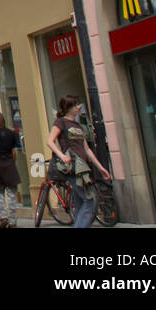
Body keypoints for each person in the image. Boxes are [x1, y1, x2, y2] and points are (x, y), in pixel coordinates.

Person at [47, 95, 111, 228]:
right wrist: (62, 155)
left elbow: (86, 149)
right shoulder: (60, 122)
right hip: (73, 168)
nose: (78, 107)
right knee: (90, 201)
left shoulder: (78, 125)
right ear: (68, 108)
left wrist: (100, 168)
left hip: (83, 167)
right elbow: (50, 141)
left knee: (80, 203)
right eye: (75, 105)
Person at [0, 111, 22, 228]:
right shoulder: (12, 133)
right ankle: (12, 220)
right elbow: (14, 151)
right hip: (9, 165)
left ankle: (3, 217)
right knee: (12, 195)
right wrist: (12, 162)